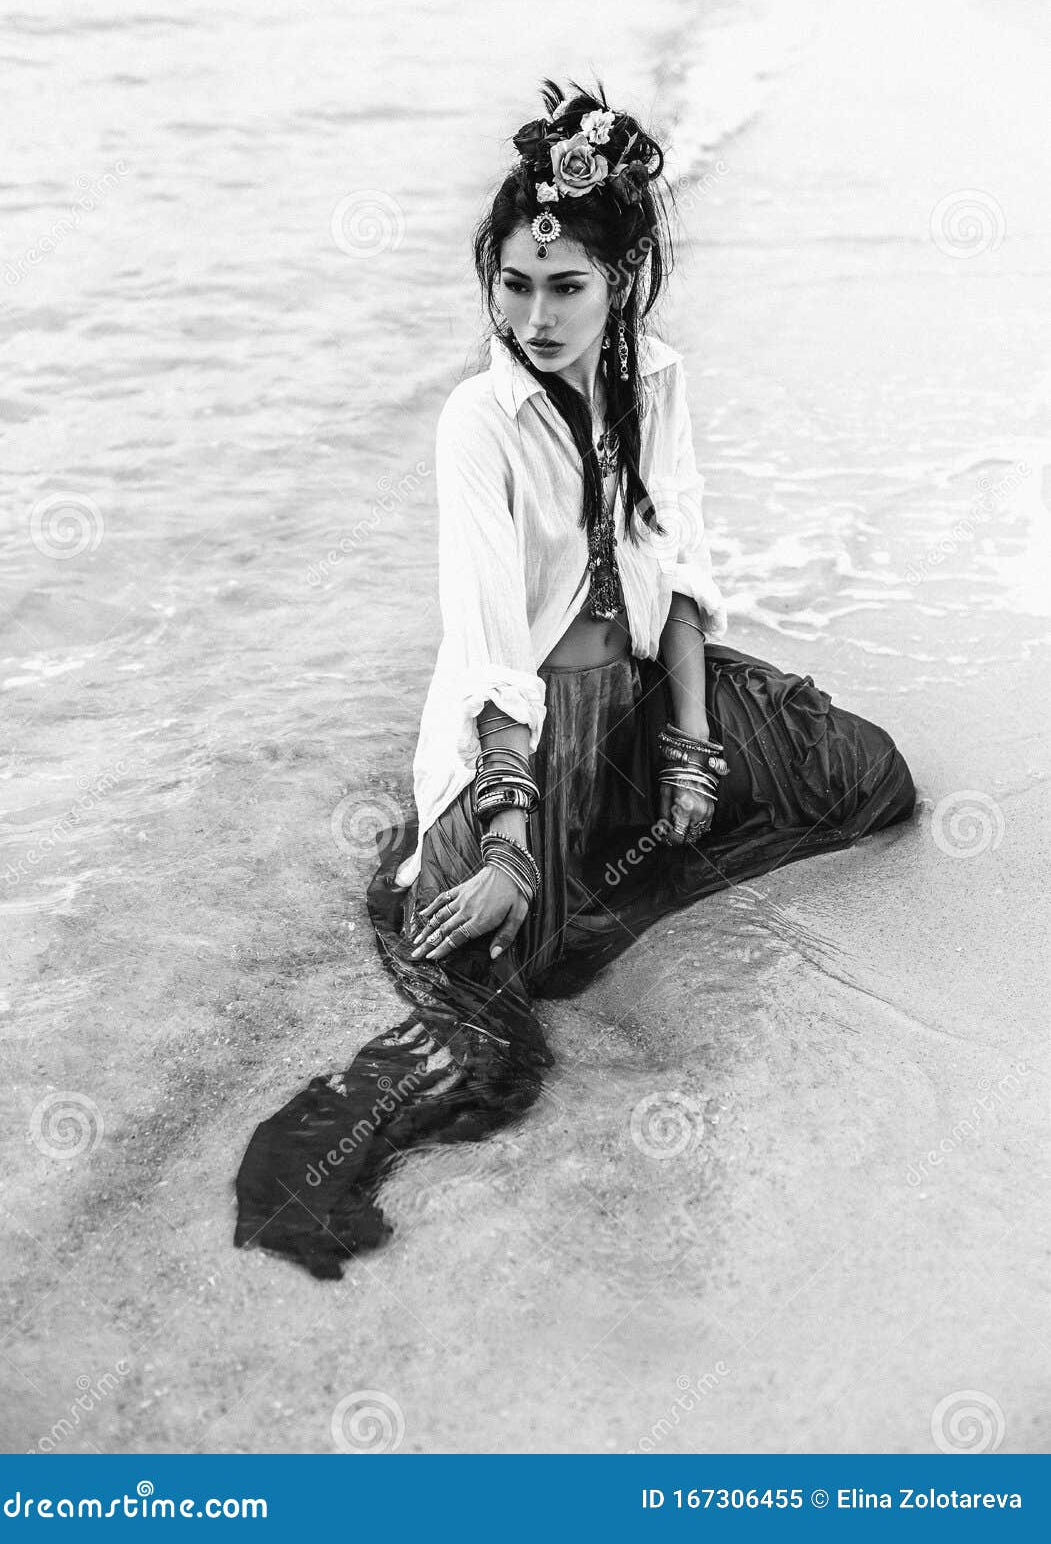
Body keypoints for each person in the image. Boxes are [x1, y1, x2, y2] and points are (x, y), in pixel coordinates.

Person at [233, 78, 917, 1279]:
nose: (533, 315)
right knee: (501, 1034)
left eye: (564, 286)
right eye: (512, 284)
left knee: (865, 779)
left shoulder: (653, 379)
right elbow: (494, 641)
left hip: (643, 699)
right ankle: (317, 1153)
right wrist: (503, 849)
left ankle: (628, 834)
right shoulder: (475, 422)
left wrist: (696, 747)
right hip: (527, 740)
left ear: (617, 284)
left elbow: (683, 572)